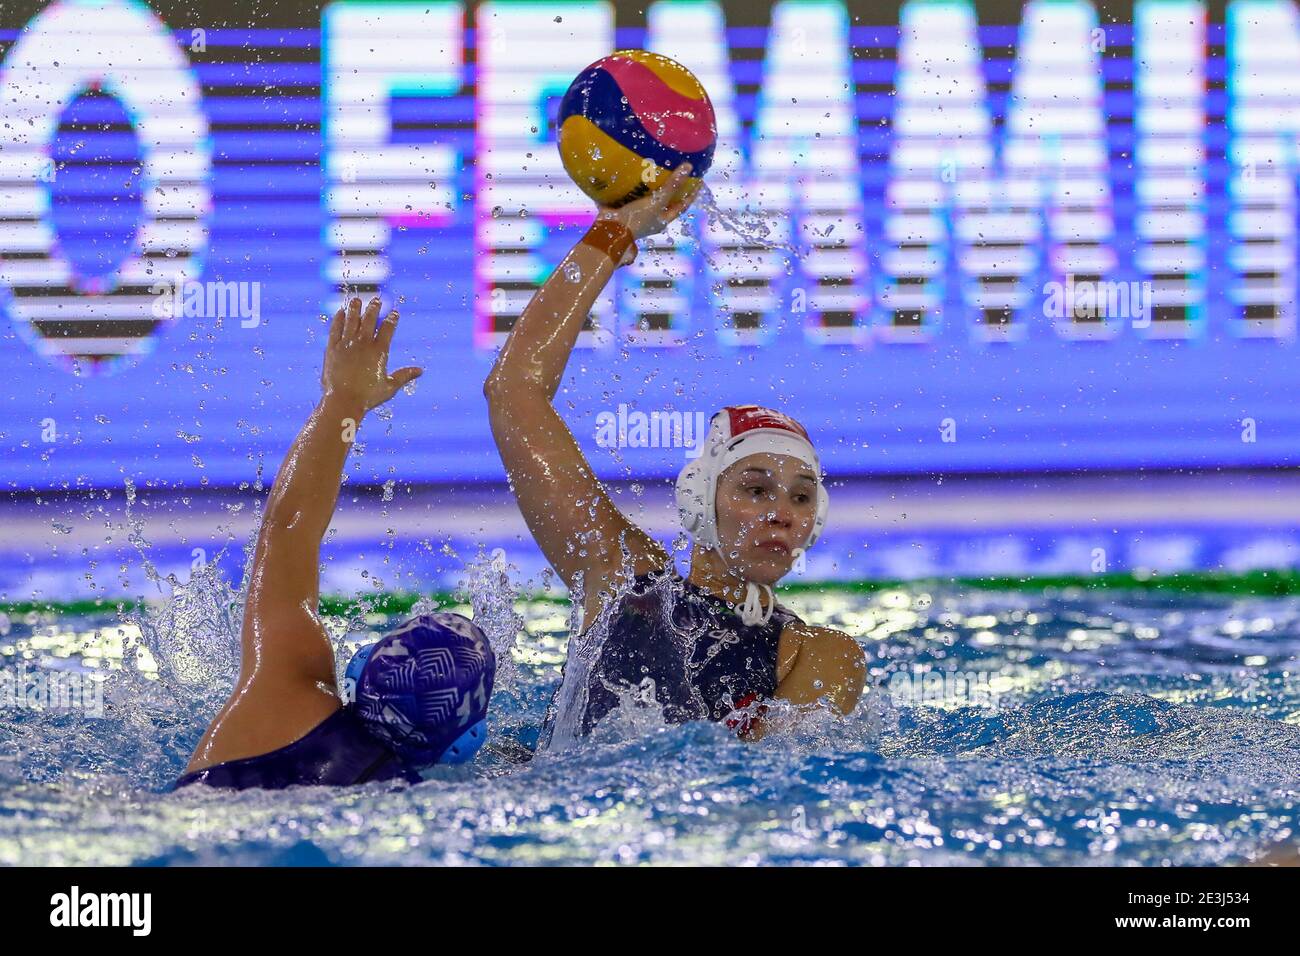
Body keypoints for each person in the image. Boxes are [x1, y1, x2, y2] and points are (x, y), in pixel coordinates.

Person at [484, 164, 866, 747]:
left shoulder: (821, 656)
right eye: (756, 488)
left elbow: (760, 791)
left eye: (801, 495)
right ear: (698, 498)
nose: (782, 512)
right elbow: (514, 391)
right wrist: (613, 233)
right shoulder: (621, 581)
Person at [175, 297, 495, 790]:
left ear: (361, 666)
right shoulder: (412, 796)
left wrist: (344, 400)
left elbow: (288, 528)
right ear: (464, 744)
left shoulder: (287, 688)